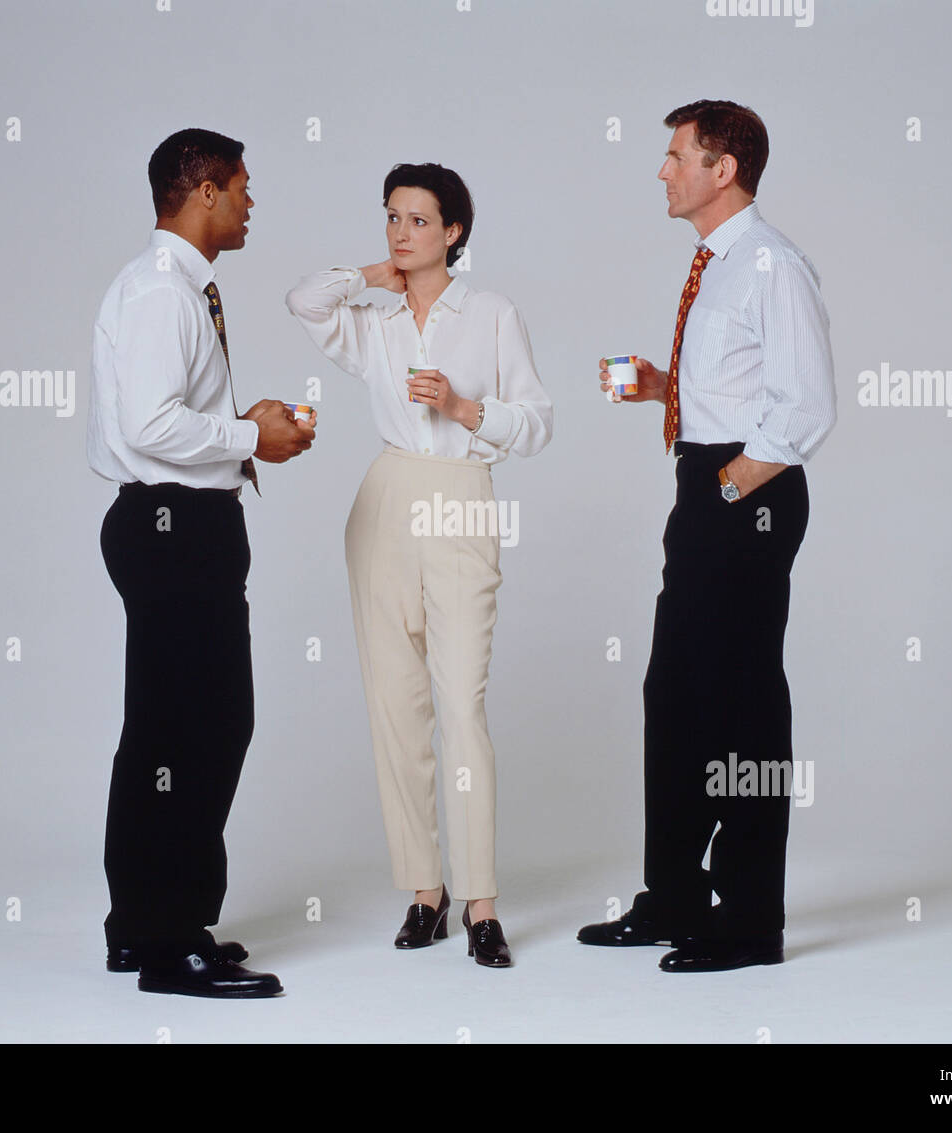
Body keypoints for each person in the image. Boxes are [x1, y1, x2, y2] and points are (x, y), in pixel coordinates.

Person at [577, 101, 836, 972]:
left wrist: (726, 485)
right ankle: (677, 895)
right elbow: (742, 386)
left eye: (676, 155)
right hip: (706, 484)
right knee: (677, 694)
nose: (663, 169)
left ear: (723, 169)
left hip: (746, 495)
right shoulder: (713, 265)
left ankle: (751, 917)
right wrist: (665, 389)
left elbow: (804, 408)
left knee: (743, 706)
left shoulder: (773, 265)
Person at [285, 162, 553, 967]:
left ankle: (482, 903)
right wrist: (380, 276)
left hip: (462, 492)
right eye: (391, 218)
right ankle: (424, 893)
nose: (401, 233)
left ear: (455, 231)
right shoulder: (374, 321)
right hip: (387, 494)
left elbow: (539, 422)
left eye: (418, 221)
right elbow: (304, 300)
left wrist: (463, 406)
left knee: (460, 703)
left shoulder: (493, 311)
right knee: (394, 704)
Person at [87, 127, 314, 998]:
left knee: (163, 730)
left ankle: (141, 924)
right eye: (243, 186)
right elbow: (148, 426)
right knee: (202, 726)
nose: (252, 201)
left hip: (174, 522)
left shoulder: (175, 288)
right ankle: (171, 939)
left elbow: (173, 414)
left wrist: (241, 429)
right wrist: (252, 433)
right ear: (205, 190)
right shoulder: (160, 292)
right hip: (174, 527)